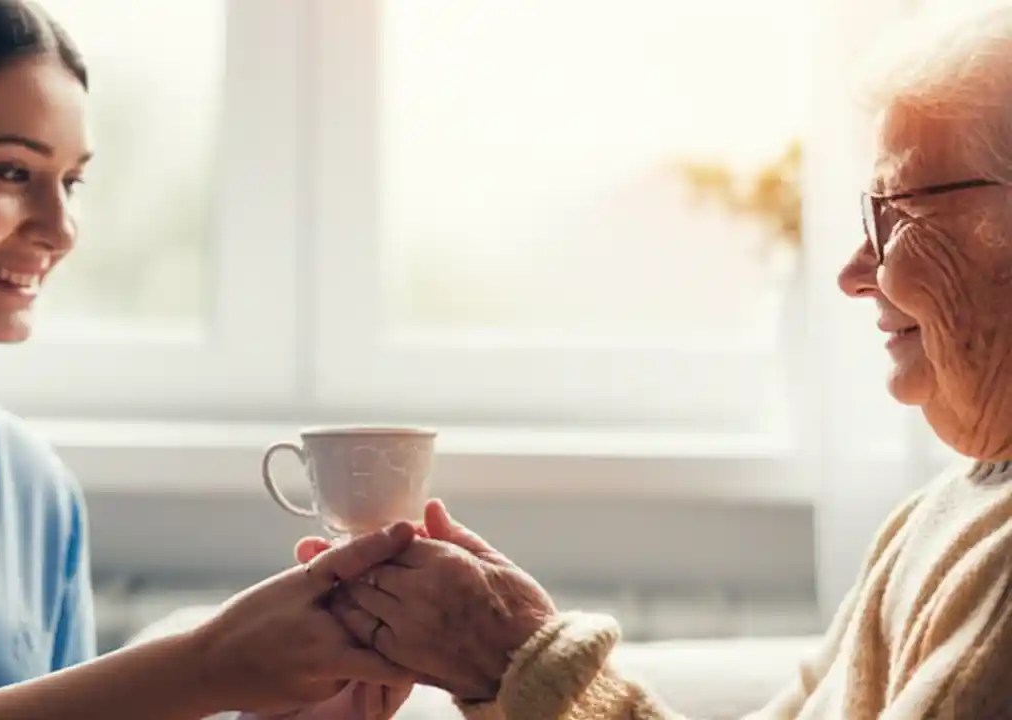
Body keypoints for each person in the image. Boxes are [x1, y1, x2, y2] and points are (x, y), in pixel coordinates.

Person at [324, 5, 1012, 719]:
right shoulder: (939, 513)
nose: (853, 270)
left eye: (896, 210)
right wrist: (513, 660)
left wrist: (516, 659)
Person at [0, 1, 414, 718]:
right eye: (11, 171)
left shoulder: (30, 488)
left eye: (72, 182)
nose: (60, 229)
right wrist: (206, 666)